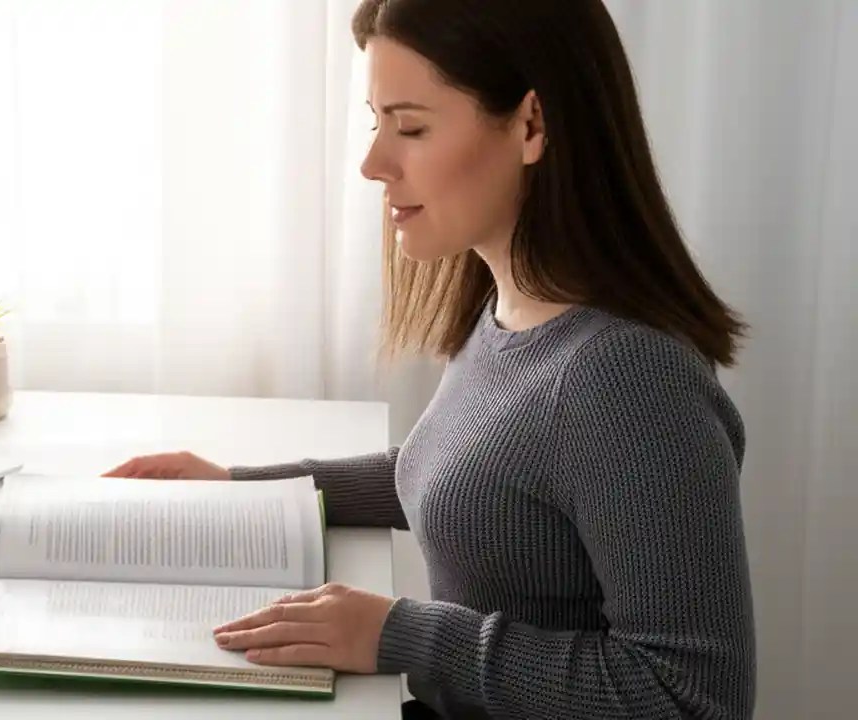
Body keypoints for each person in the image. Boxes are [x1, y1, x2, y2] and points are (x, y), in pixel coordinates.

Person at [104, 0, 756, 717]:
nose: (373, 162)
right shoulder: (511, 306)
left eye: (410, 127)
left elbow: (692, 697)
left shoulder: (629, 382)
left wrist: (400, 634)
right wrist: (241, 489)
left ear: (532, 125)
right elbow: (450, 475)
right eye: (376, 122)